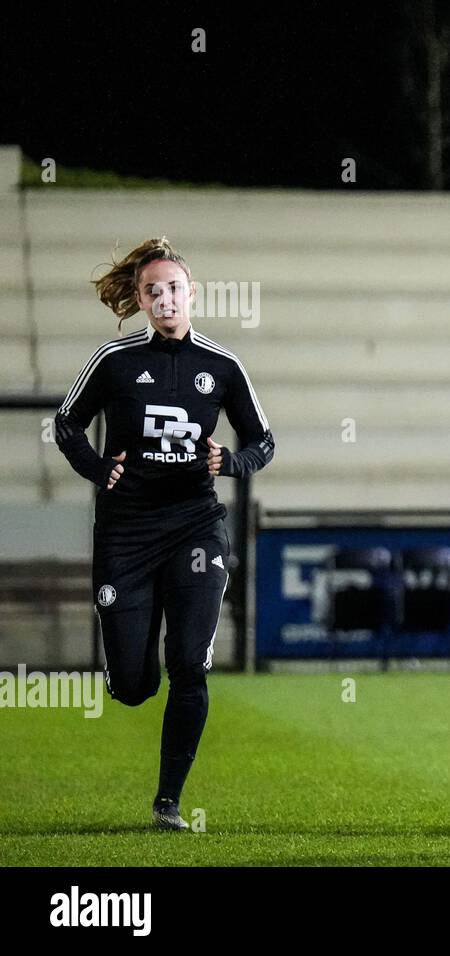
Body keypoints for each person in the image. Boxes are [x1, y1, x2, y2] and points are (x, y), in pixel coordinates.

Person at [54, 237, 275, 830]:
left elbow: (263, 442)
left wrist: (230, 462)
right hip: (126, 532)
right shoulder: (114, 361)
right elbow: (65, 425)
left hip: (194, 525)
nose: (164, 298)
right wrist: (100, 470)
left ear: (191, 294)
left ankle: (168, 803)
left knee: (188, 663)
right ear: (141, 300)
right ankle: (134, 658)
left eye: (173, 288)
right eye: (153, 291)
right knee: (131, 686)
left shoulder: (222, 366)